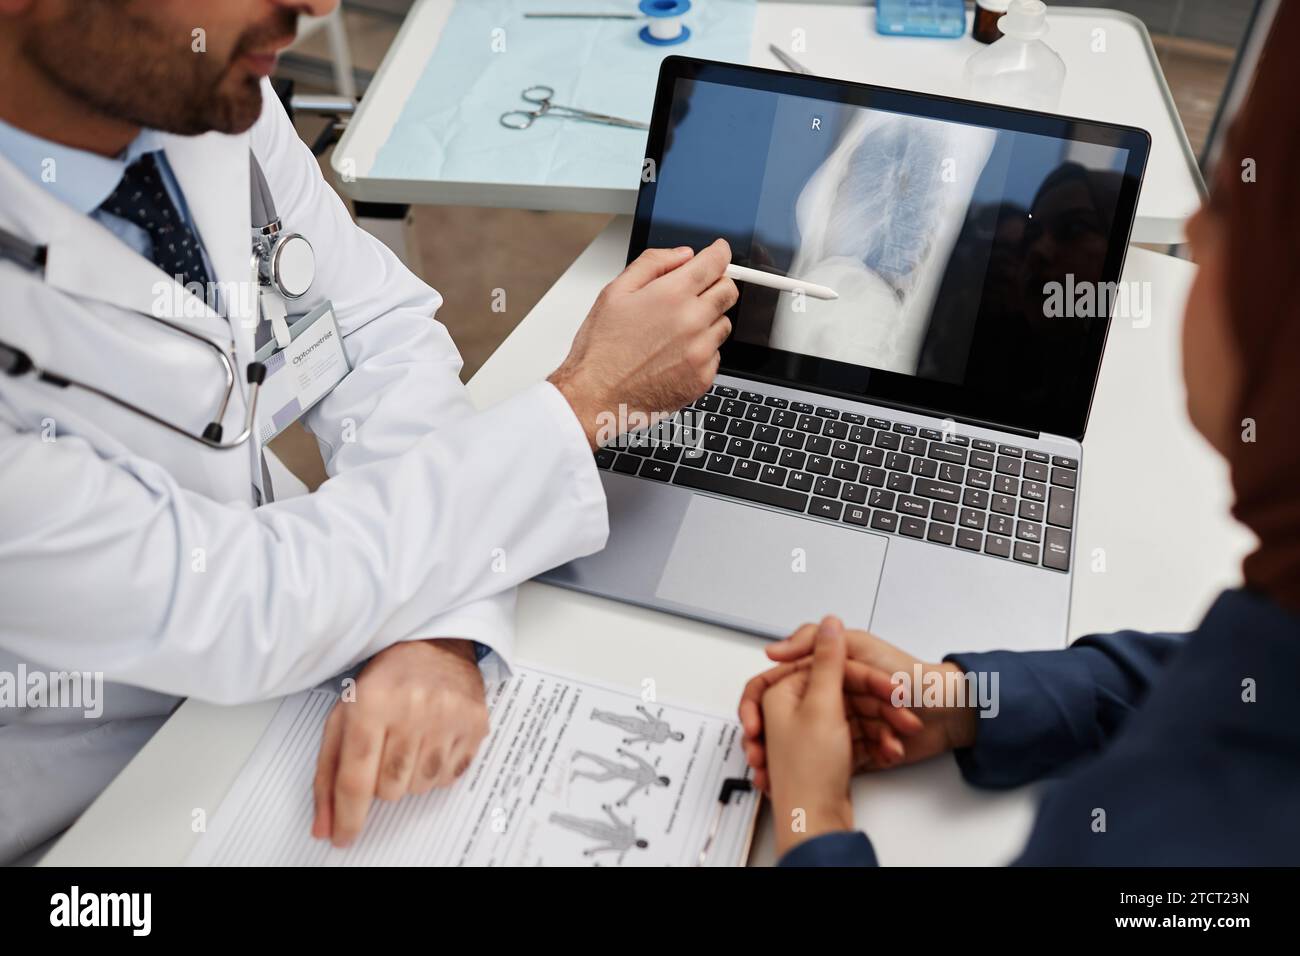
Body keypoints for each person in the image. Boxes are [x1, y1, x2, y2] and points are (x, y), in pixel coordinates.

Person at [0, 0, 736, 863]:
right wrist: (581, 403)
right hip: (99, 803)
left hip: (310, 658)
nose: (316, 6)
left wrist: (432, 633)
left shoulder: (198, 83)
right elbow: (238, 600)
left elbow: (375, 337)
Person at [739, 4, 1300, 866]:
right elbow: (1229, 682)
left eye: (1226, 209)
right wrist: (972, 698)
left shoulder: (1173, 838)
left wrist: (813, 819)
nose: (1188, 235)